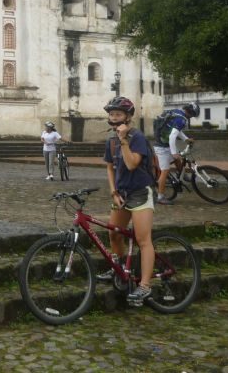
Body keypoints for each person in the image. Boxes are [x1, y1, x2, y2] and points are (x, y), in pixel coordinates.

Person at [97, 96, 157, 307]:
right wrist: (113, 191)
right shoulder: (111, 140)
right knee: (114, 233)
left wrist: (124, 140)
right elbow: (110, 166)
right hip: (122, 193)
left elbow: (132, 165)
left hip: (141, 192)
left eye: (118, 115)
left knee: (143, 239)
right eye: (111, 115)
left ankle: (145, 285)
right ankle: (119, 268)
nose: (114, 119)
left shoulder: (136, 137)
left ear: (128, 117)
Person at [153, 102, 199, 205]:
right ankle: (160, 197)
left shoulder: (177, 112)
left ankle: (181, 174)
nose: (192, 117)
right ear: (190, 113)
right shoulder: (181, 119)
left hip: (164, 142)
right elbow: (172, 136)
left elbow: (176, 131)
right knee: (165, 171)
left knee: (178, 159)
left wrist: (186, 140)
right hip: (161, 147)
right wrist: (173, 153)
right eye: (193, 115)